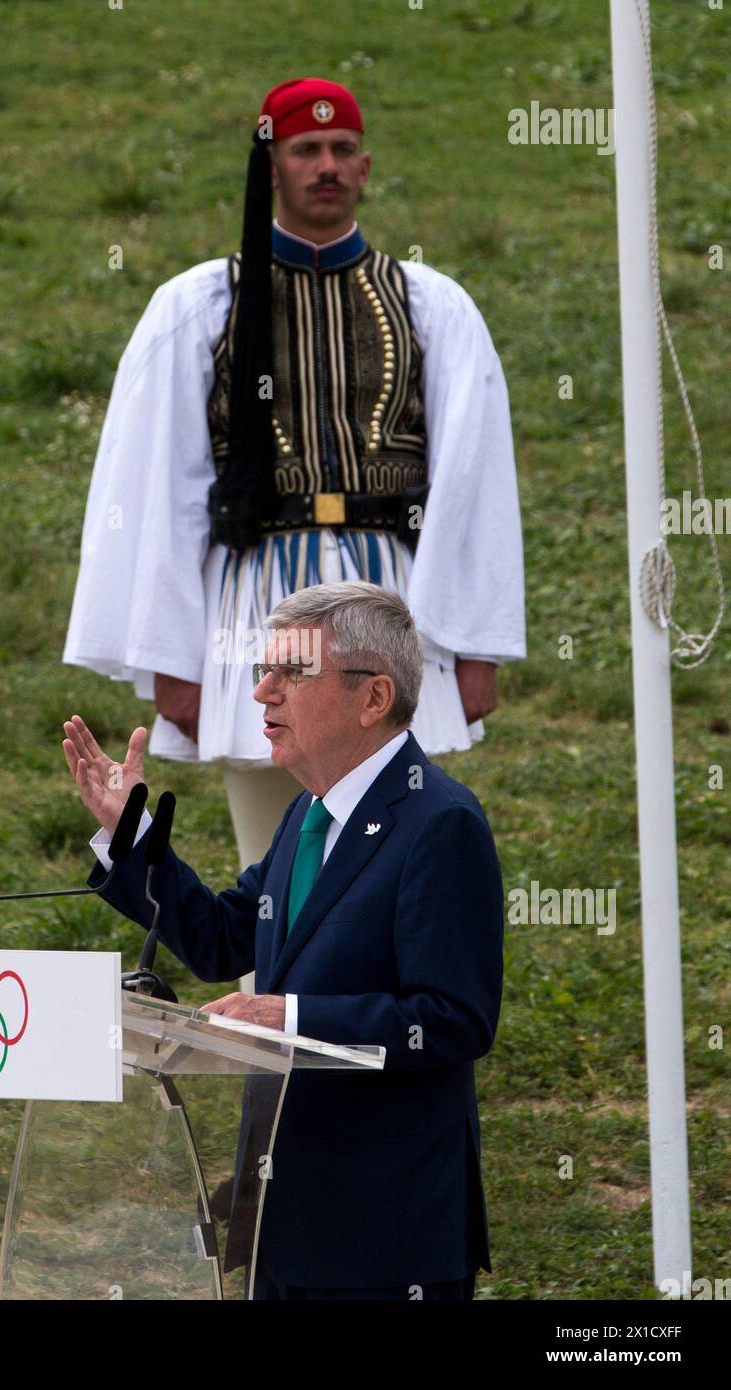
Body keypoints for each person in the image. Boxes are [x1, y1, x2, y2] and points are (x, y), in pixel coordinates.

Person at [62, 76, 526, 930]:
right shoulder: (200, 303)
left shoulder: (430, 303)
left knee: (390, 839)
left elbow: (474, 482)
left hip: (389, 594)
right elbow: (155, 487)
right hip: (255, 599)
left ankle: (377, 1020)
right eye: (305, 150)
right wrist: (172, 656)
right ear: (272, 165)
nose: (326, 166)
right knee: (270, 862)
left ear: (366, 166)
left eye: (342, 149)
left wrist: (477, 645)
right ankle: (273, 1027)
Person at [63, 581, 504, 1300]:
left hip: (386, 1237)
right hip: (284, 1216)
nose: (262, 692)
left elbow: (453, 1019)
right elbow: (221, 938)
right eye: (263, 671)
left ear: (373, 698)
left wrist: (289, 1019)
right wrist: (129, 834)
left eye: (291, 674)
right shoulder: (310, 810)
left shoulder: (440, 824)